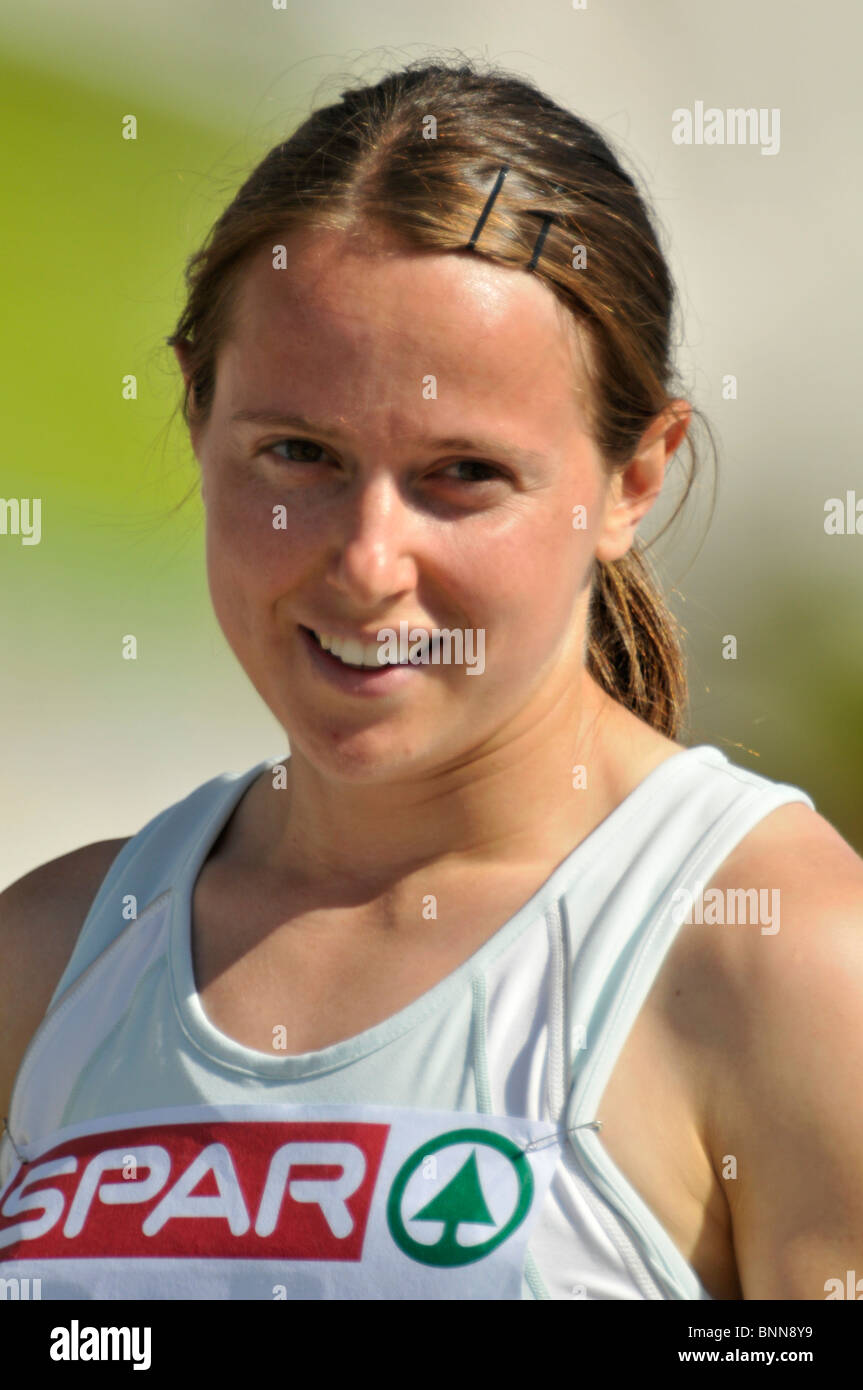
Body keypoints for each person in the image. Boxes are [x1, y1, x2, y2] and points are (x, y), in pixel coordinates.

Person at [2, 57, 862, 1303]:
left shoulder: (784, 961)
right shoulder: (52, 960)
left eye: (462, 474)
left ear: (633, 478)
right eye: (297, 453)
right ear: (196, 412)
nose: (364, 562)